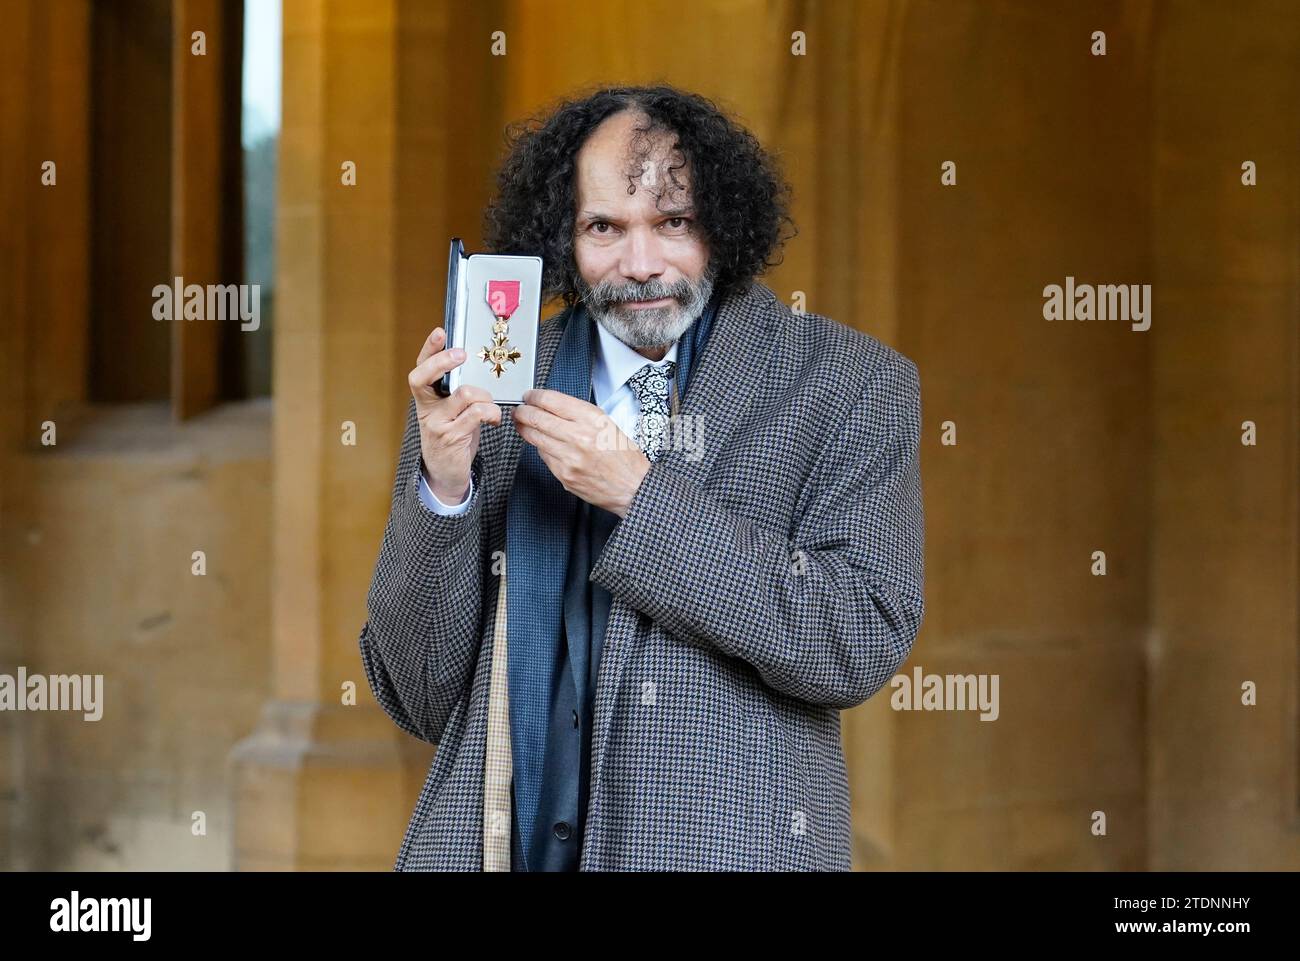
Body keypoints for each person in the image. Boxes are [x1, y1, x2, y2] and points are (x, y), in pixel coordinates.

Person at [359, 84, 925, 871]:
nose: (641, 263)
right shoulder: (489, 377)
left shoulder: (852, 383)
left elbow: (856, 640)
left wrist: (640, 495)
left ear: (721, 223)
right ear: (564, 237)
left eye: (673, 223)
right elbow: (414, 691)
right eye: (604, 227)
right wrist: (442, 487)